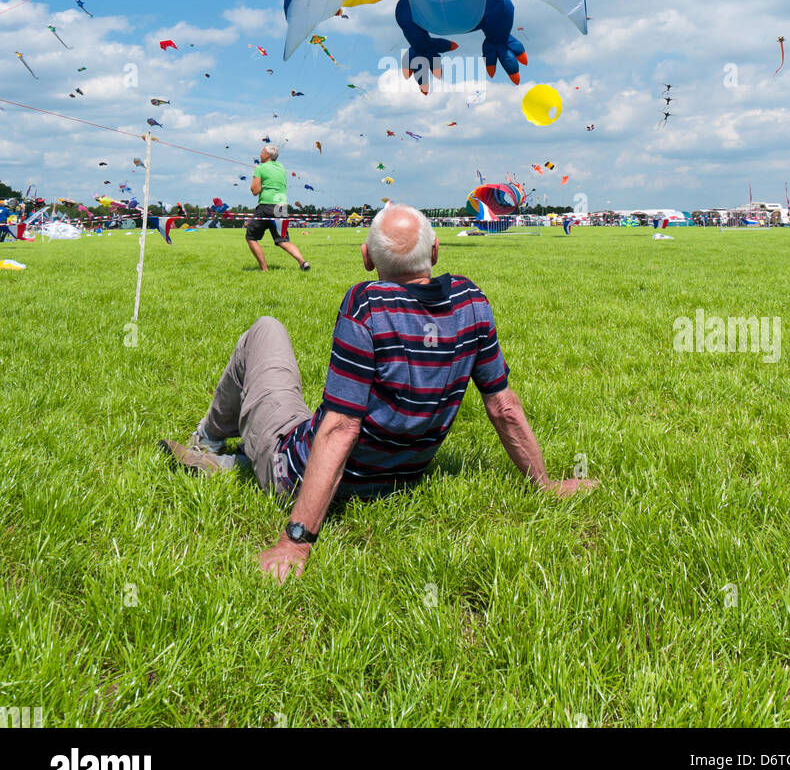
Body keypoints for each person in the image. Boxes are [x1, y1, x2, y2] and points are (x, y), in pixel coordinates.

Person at [160, 203, 597, 580]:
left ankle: (208, 441)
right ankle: (227, 460)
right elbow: (504, 407)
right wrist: (542, 484)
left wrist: (297, 540)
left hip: (291, 470)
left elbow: (341, 428)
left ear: (367, 258)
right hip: (397, 481)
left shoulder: (367, 304)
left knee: (266, 331)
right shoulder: (471, 302)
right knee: (302, 409)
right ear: (435, 251)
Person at [244, 143, 309, 272]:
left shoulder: (260, 168)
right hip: (281, 206)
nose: (260, 154)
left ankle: (264, 269)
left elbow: (255, 190)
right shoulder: (281, 167)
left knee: (251, 238)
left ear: (267, 154)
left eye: (262, 151)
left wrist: (258, 175)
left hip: (266, 206)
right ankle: (303, 262)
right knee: (283, 240)